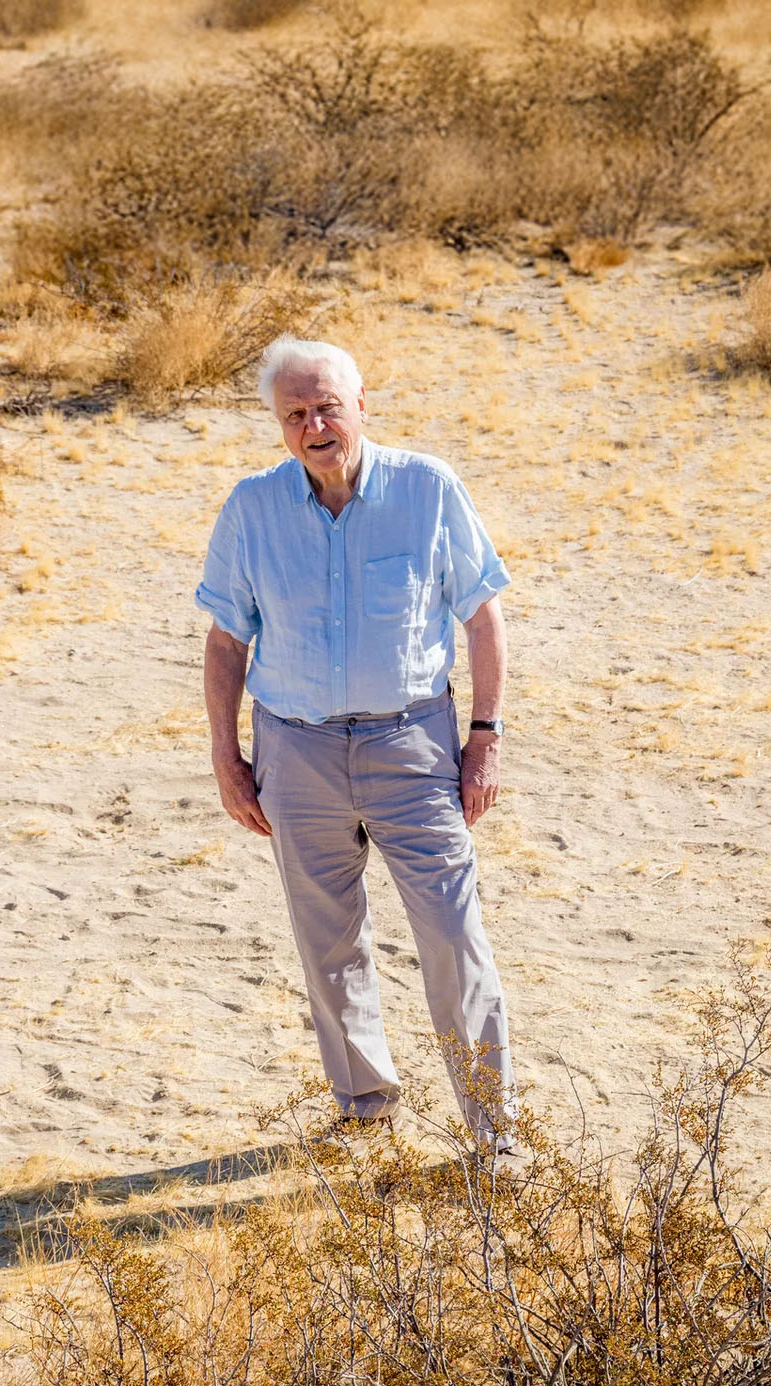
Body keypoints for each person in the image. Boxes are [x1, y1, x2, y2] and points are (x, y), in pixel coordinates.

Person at [196, 336, 517, 1155]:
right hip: (293, 753)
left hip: (413, 745)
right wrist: (226, 758)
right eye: (295, 414)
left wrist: (483, 737)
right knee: (327, 941)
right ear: (279, 425)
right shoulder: (251, 509)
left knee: (453, 935)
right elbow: (228, 641)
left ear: (362, 405)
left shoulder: (428, 489)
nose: (314, 426)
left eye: (327, 407)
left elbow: (482, 615)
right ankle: (364, 1106)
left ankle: (494, 1132)